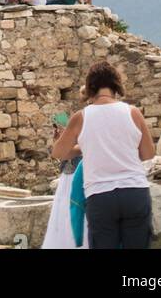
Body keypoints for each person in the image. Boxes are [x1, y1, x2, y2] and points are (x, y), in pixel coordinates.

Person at [52, 60, 154, 249]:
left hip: (100, 196)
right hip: (134, 191)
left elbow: (59, 152)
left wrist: (89, 146)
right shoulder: (133, 113)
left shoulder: (81, 117)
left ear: (91, 87)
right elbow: (148, 153)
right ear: (116, 84)